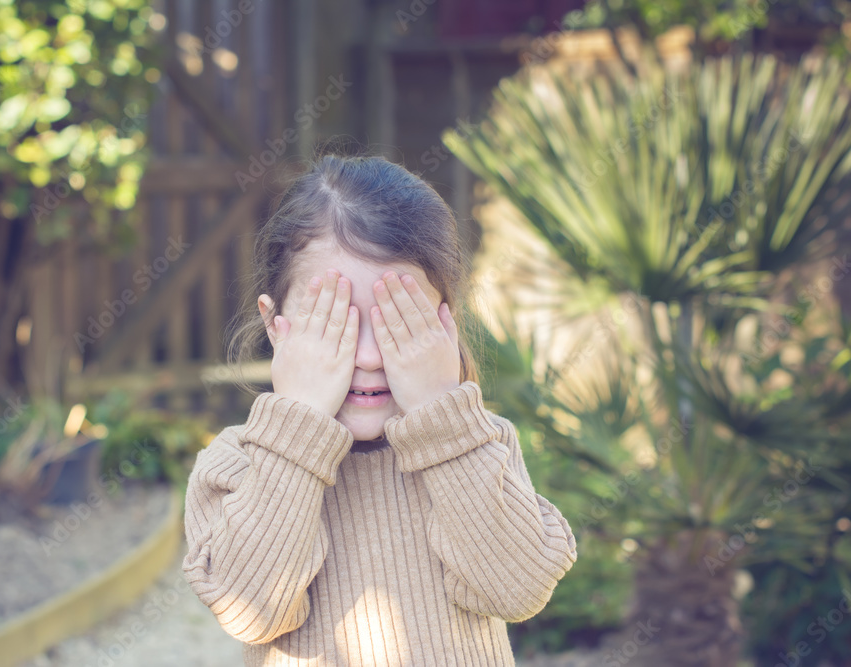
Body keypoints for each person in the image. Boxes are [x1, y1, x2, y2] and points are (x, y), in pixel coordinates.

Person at [182, 151, 578, 666]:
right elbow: (253, 612)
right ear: (274, 324)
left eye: (398, 322)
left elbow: (517, 592)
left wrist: (440, 418)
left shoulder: (480, 447)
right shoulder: (236, 465)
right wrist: (298, 430)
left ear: (444, 324)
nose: (368, 357)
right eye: (335, 324)